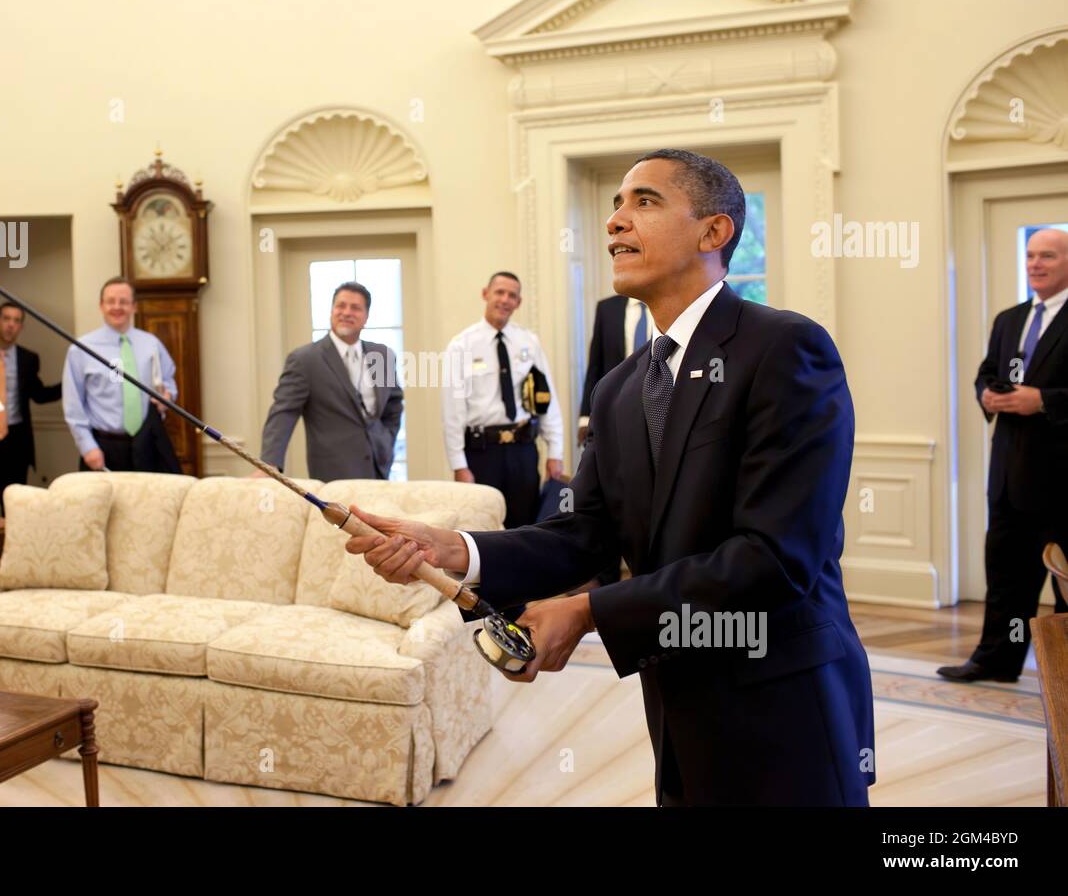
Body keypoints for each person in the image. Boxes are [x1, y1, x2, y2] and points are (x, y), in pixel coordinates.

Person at [348, 149, 874, 806]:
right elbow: (589, 532)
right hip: (676, 707)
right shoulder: (622, 386)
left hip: (783, 704)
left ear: (715, 233)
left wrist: (589, 610)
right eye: (617, 204)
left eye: (644, 202)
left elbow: (774, 559)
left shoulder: (786, 348)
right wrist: (454, 548)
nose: (616, 222)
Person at [939, 227, 1068, 682]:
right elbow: (986, 374)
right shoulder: (1010, 318)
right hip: (1010, 477)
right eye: (1031, 256)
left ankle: (1063, 672)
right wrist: (987, 397)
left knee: (1064, 588)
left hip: (1061, 483)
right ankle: (997, 660)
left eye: (1047, 256)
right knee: (1007, 579)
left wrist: (1046, 400)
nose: (1035, 263)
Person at [441, 272, 564, 528]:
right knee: (484, 528)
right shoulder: (461, 345)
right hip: (482, 453)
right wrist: (459, 465)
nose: (505, 300)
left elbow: (546, 399)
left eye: (512, 295)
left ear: (518, 303)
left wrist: (556, 452)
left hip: (523, 450)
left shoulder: (529, 342)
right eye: (499, 292)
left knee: (526, 527)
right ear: (485, 294)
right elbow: (452, 413)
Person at [259, 281, 403, 481]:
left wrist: (386, 439)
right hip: (332, 475)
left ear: (366, 317)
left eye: (355, 308)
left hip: (379, 469)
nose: (346, 312)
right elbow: (283, 413)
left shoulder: (383, 356)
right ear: (331, 311)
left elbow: (394, 405)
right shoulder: (304, 360)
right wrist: (269, 464)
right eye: (340, 306)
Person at [62, 277, 181, 473]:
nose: (117, 307)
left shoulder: (151, 343)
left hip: (147, 444)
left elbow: (168, 380)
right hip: (104, 446)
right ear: (101, 306)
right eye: (111, 301)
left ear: (134, 306)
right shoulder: (81, 349)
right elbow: (73, 404)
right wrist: (87, 447)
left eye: (124, 302)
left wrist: (167, 396)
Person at [0, 302, 62, 516]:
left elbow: (39, 395)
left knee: (15, 504)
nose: (11, 325)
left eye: (16, 321)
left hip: (15, 439)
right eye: (6, 319)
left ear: (21, 327)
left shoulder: (28, 359)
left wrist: (70, 382)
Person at [578, 293, 656, 448]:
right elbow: (595, 365)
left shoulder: (667, 303)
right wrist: (586, 417)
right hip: (614, 408)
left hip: (656, 407)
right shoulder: (607, 308)